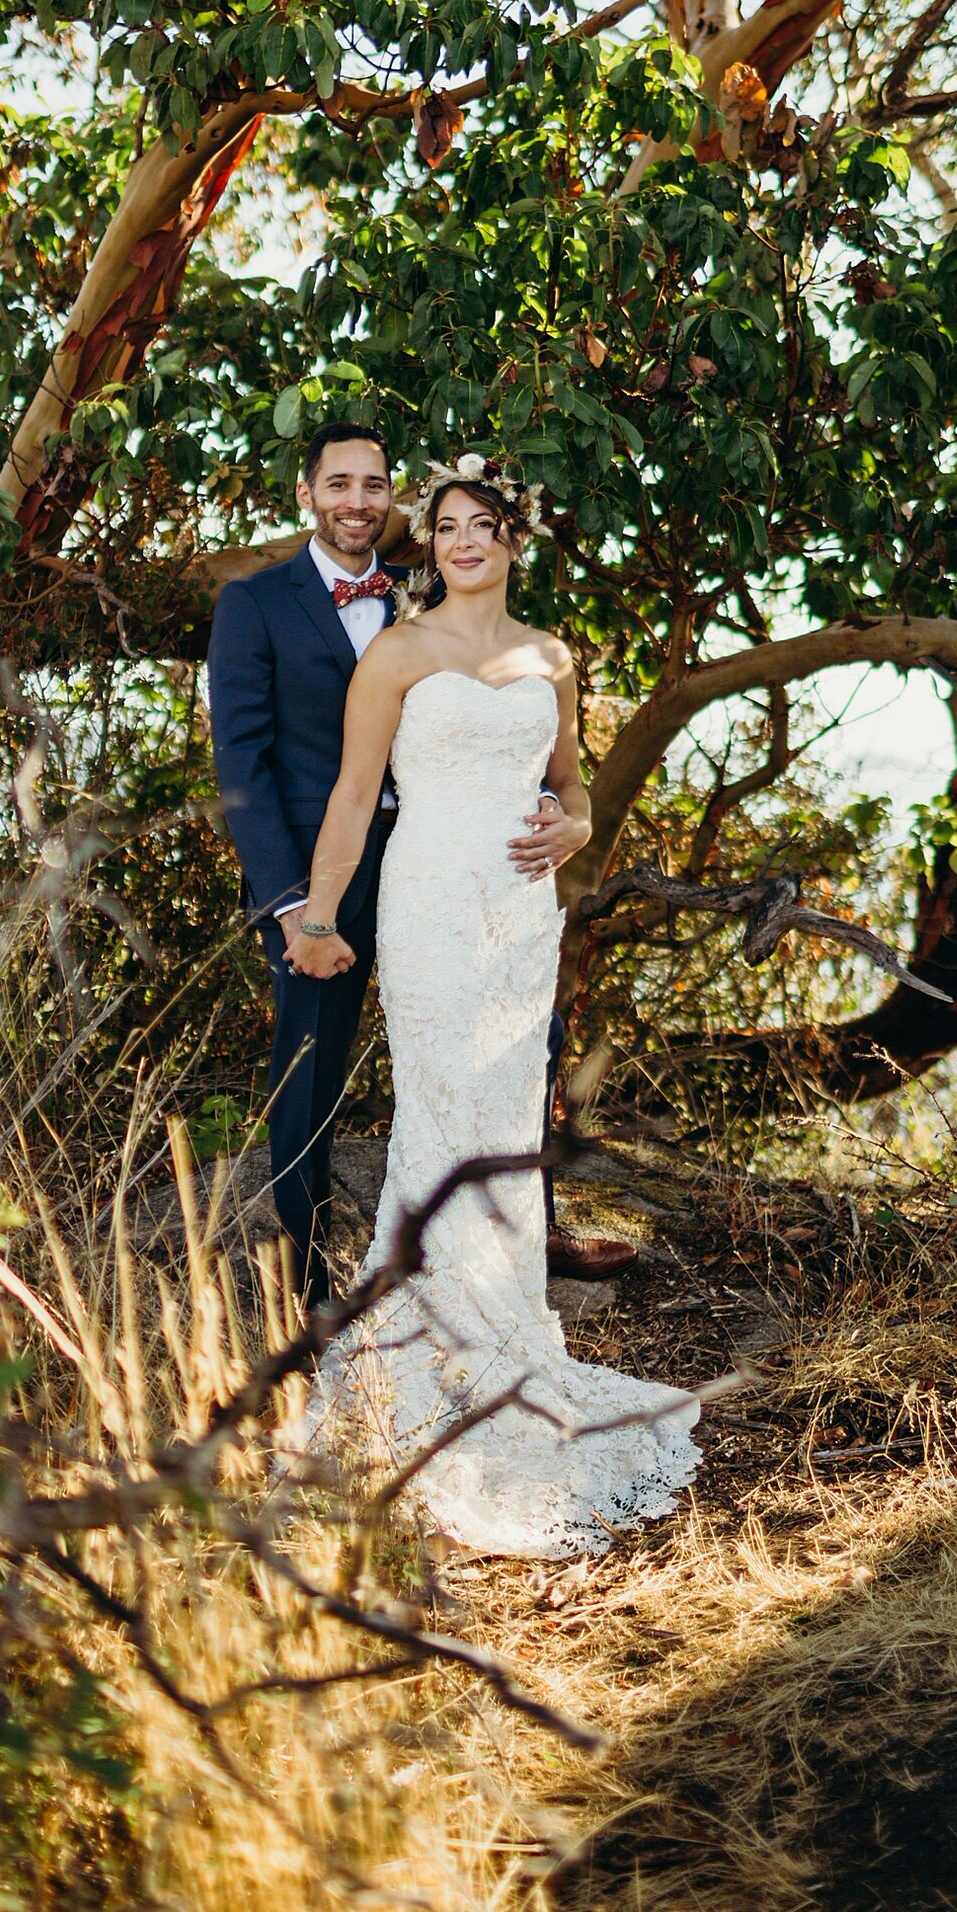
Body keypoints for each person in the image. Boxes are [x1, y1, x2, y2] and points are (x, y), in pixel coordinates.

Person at [292, 456, 700, 1558]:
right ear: (428, 543)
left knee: (506, 1117)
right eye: (447, 525)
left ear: (517, 540)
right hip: (426, 904)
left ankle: (509, 1329)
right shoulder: (397, 652)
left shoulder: (551, 658)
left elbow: (571, 790)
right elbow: (349, 794)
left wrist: (572, 830)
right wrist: (318, 914)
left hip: (522, 919)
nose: (464, 541)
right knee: (440, 1109)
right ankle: (426, 1344)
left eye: (485, 525)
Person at [208, 424, 633, 1305]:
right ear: (308, 493)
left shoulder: (432, 594)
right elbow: (245, 772)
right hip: (335, 869)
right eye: (339, 484)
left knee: (529, 1047)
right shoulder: (257, 604)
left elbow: (561, 771)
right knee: (313, 1065)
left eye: (373, 485)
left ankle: (529, 1236)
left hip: (479, 870)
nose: (357, 501)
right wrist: (298, 907)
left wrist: (572, 817)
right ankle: (306, 1278)